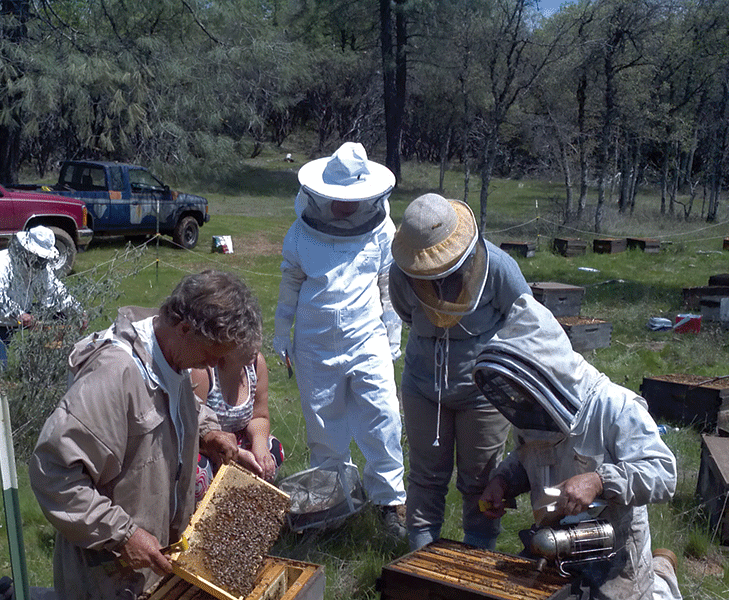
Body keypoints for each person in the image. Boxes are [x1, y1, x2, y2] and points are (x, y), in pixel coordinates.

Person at [0, 270, 262, 600]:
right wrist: (123, 534)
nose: (212, 366)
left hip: (147, 561)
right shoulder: (115, 375)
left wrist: (209, 433)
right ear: (185, 327)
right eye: (211, 354)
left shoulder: (170, 353)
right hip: (106, 562)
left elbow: (171, 406)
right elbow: (55, 471)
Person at [474, 293, 683, 600]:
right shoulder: (533, 408)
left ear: (548, 370)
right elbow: (526, 458)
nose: (521, 401)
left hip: (612, 550)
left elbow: (664, 472)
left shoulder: (614, 406)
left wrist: (601, 479)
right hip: (550, 543)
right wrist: (503, 482)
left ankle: (662, 579)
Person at [273, 141, 406, 540]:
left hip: (368, 338)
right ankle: (332, 507)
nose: (345, 206)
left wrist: (392, 338)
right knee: (323, 425)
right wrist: (282, 335)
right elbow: (290, 282)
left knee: (383, 417)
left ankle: (389, 503)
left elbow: (388, 286)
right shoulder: (301, 232)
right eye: (336, 198)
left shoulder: (382, 228)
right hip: (314, 342)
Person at [389, 193, 530, 552]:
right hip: (422, 383)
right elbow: (408, 315)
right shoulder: (401, 273)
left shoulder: (497, 266)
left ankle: (480, 552)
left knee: (480, 478)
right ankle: (420, 554)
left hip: (484, 389)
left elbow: (526, 319)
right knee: (426, 477)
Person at [0, 225, 84, 372]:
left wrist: (79, 311)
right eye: (39, 257)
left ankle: (38, 369)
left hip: (23, 313)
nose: (42, 262)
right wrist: (21, 315)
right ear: (26, 251)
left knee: (61, 315)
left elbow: (56, 292)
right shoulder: (0, 262)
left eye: (44, 258)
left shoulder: (42, 269)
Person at [191, 348, 284, 498]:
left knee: (273, 450)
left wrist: (259, 446)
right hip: (207, 447)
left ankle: (248, 502)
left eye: (257, 338)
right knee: (197, 473)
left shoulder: (256, 363)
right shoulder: (203, 370)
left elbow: (259, 416)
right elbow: (192, 429)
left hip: (238, 443)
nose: (254, 346)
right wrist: (237, 454)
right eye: (247, 340)